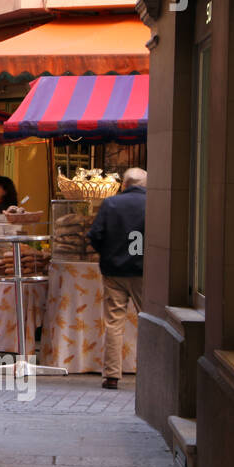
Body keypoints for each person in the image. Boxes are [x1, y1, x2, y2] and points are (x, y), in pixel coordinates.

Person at [87, 167, 146, 390]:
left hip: (114, 272)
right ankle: (149, 372)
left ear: (124, 184)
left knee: (114, 323)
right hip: (143, 271)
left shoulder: (111, 204)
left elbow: (95, 235)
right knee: (148, 322)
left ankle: (111, 375)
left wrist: (108, 253)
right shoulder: (155, 203)